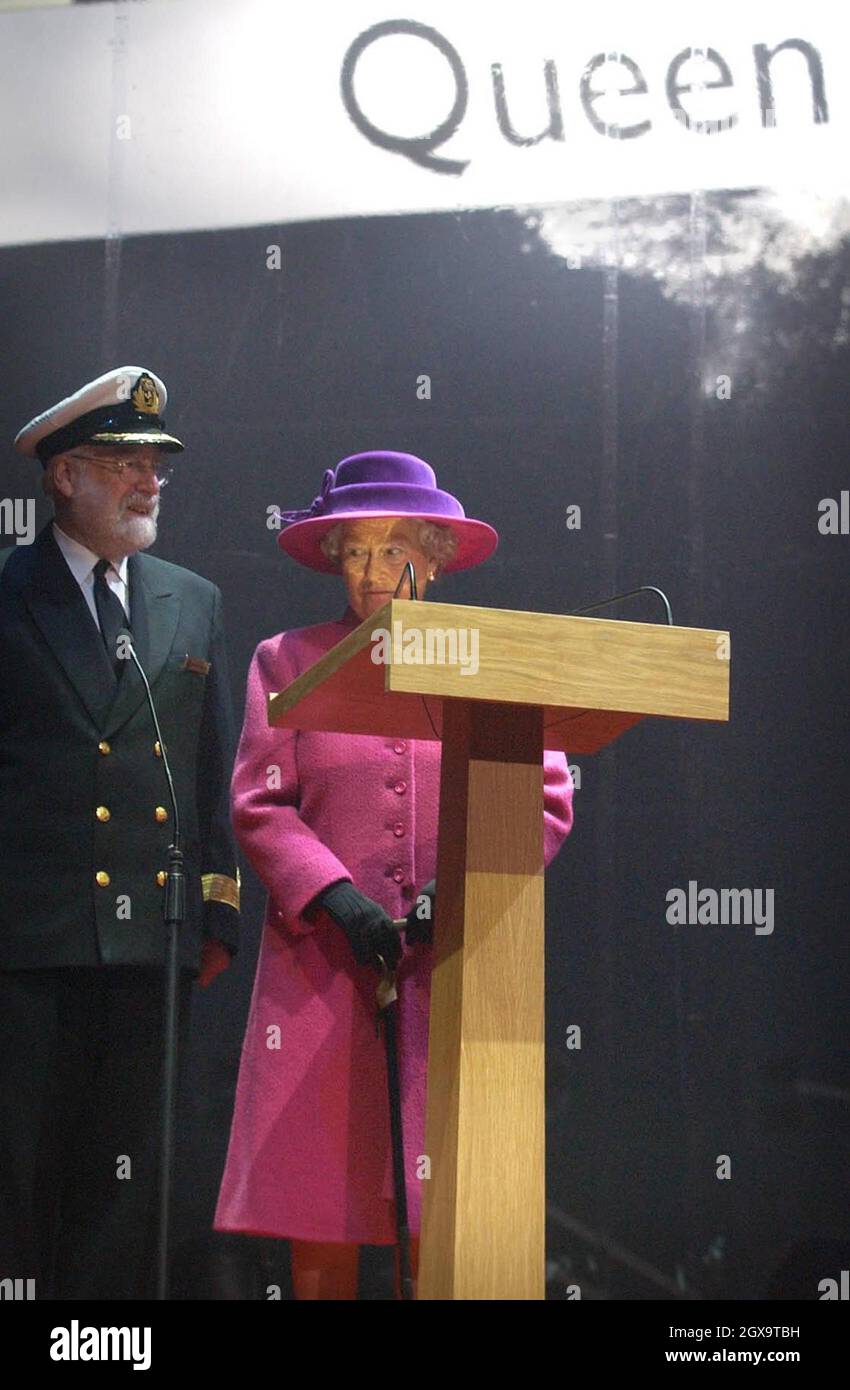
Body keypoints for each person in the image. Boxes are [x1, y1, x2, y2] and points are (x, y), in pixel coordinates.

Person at [213, 450, 574, 1299]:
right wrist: (332, 895)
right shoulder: (288, 659)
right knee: (324, 1216)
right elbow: (259, 803)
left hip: (451, 980)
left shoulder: (492, 659)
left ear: (436, 555)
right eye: (354, 552)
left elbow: (545, 798)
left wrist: (471, 885)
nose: (372, 574)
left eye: (393, 550)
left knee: (449, 1222)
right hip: (321, 976)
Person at [0, 366, 240, 1299]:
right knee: (20, 1176)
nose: (149, 480)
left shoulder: (194, 598)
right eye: (123, 461)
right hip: (27, 945)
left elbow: (211, 768)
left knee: (127, 1183)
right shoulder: (9, 593)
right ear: (64, 477)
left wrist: (215, 912)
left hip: (152, 946)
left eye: (156, 464)